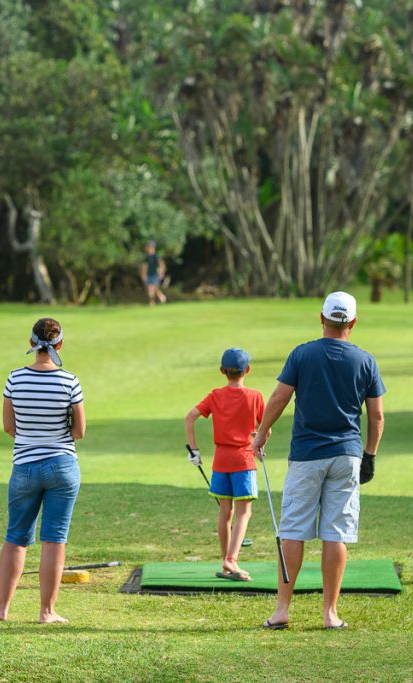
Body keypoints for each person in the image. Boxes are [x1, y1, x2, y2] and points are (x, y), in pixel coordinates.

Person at [251, 291, 385, 630]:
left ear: (321, 318)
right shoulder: (365, 361)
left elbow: (280, 396)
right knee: (335, 533)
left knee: (294, 530)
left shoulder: (302, 354)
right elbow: (377, 417)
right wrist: (369, 455)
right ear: (353, 322)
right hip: (346, 455)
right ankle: (330, 614)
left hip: (307, 455)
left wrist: (262, 432)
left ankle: (282, 610)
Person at [0, 318, 86, 624]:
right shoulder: (70, 381)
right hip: (62, 467)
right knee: (54, 539)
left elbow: (8, 427)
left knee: (16, 537)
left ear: (31, 344)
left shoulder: (15, 379)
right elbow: (79, 431)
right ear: (60, 345)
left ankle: (1, 608)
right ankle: (47, 611)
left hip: (24, 466)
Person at [184, 348, 265, 581]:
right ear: (247, 369)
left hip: (221, 461)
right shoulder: (255, 396)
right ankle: (232, 559)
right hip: (244, 460)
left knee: (225, 512)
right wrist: (259, 444)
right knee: (244, 513)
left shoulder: (215, 395)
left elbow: (190, 417)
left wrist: (194, 450)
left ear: (222, 371)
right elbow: (265, 428)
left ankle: (226, 560)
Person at [142, 240, 167, 305]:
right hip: (149, 275)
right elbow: (145, 266)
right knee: (151, 288)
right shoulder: (147, 257)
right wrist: (144, 274)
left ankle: (153, 301)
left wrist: (161, 273)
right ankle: (158, 298)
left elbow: (161, 265)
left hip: (155, 275)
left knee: (153, 288)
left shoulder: (156, 256)